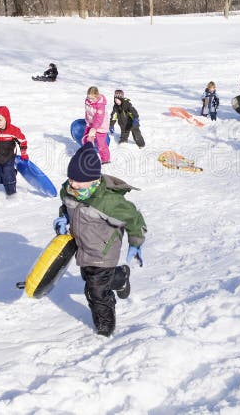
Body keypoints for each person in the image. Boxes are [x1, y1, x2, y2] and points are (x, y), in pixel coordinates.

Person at [52, 142, 146, 337]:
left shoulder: (108, 203)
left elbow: (133, 218)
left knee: (96, 292)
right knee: (91, 279)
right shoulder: (69, 191)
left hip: (104, 252)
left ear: (94, 180)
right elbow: (67, 207)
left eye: (79, 181)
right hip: (84, 249)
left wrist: (135, 243)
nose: (74, 184)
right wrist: (63, 218)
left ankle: (105, 327)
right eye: (71, 179)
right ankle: (120, 277)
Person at [83, 86, 111, 164]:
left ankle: (106, 160)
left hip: (100, 126)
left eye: (92, 98)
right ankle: (87, 155)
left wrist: (94, 129)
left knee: (101, 144)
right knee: (86, 139)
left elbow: (99, 118)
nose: (90, 100)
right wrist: (87, 120)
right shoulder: (87, 101)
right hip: (90, 124)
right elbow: (88, 112)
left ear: (97, 96)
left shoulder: (100, 105)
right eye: (89, 97)